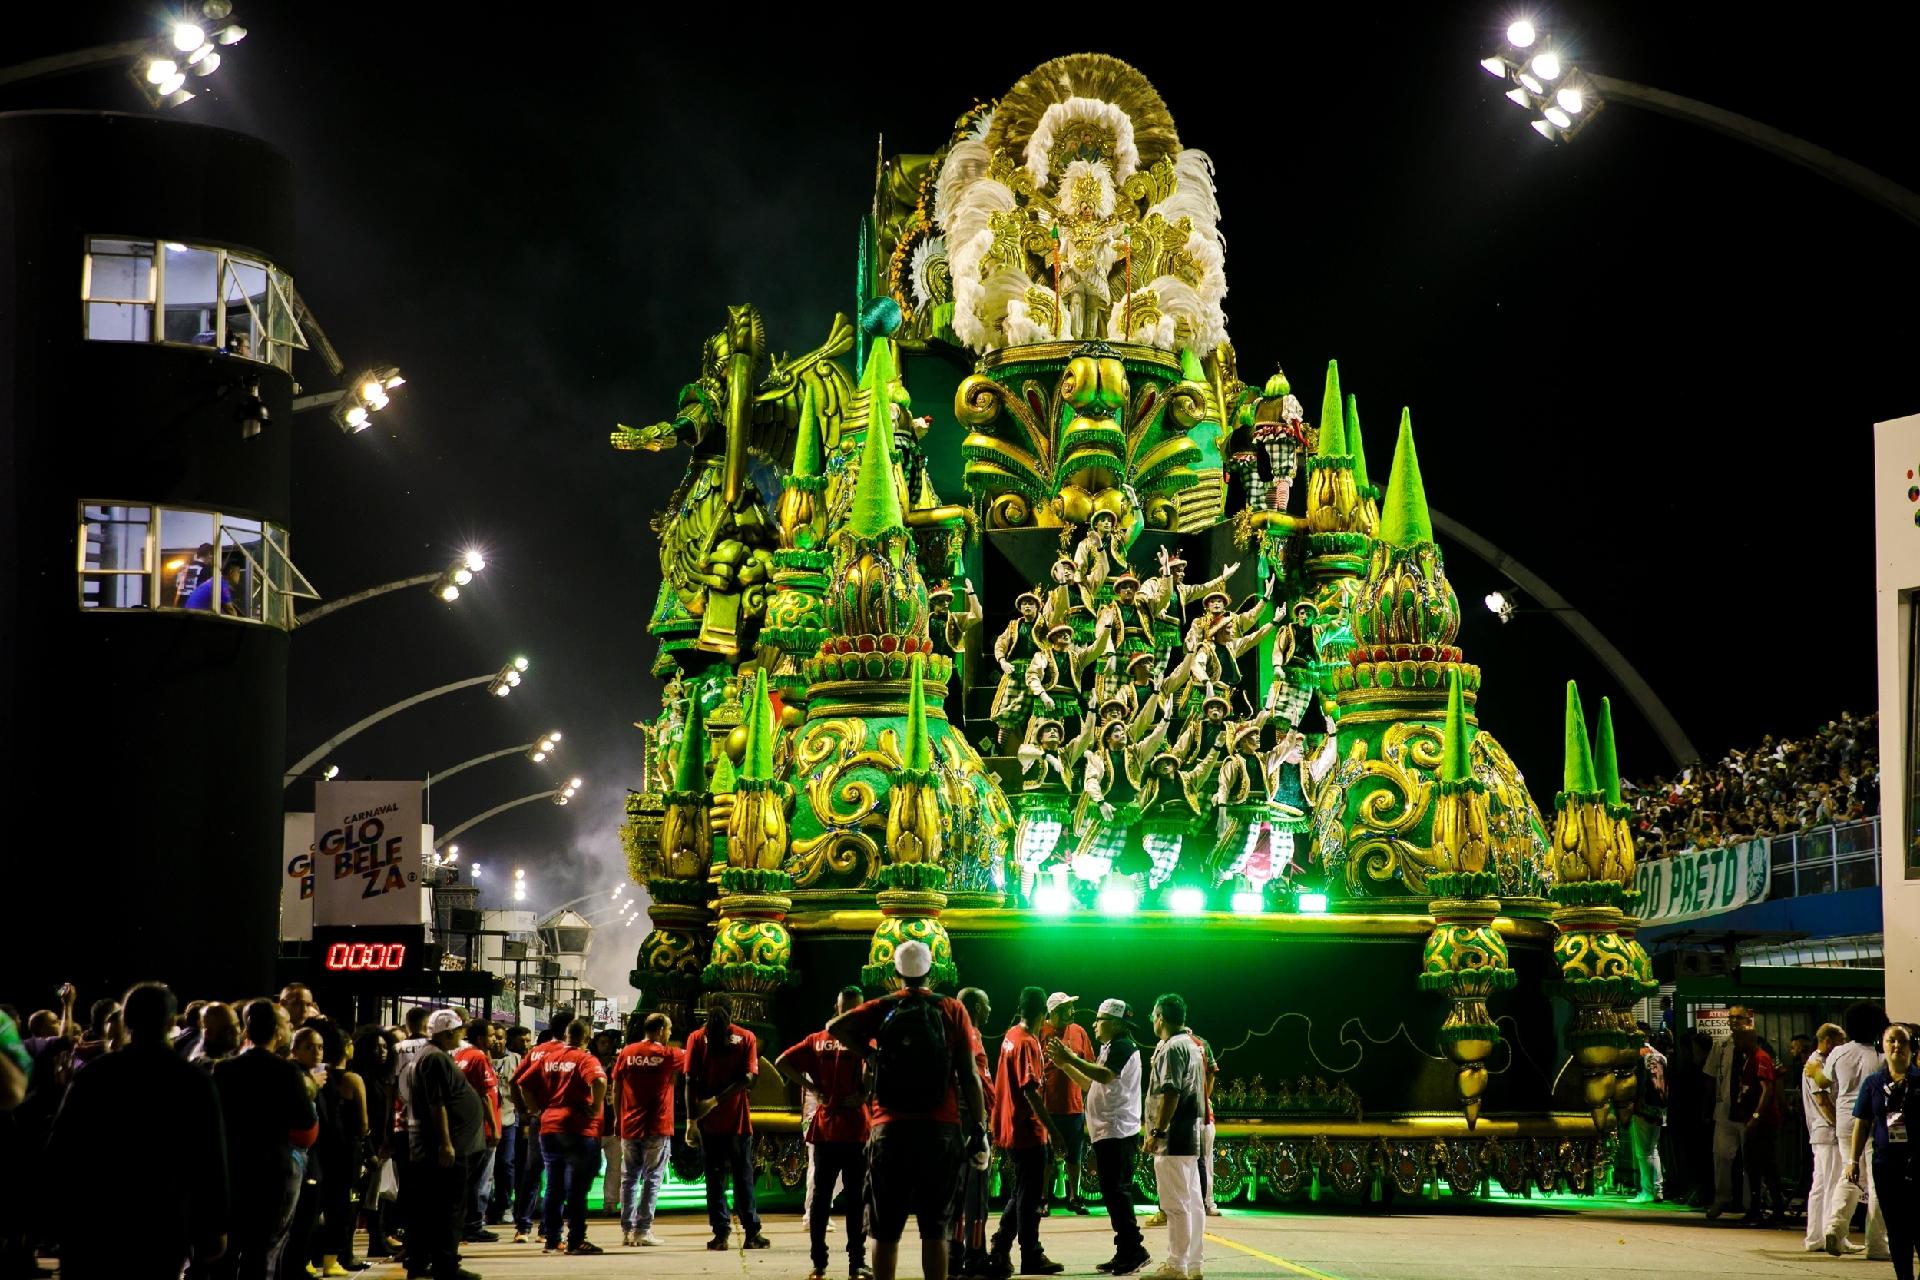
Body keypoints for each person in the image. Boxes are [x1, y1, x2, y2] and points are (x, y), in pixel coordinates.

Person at [827, 941, 989, 1280]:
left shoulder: (882, 1007)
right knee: (935, 1230)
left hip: (890, 1129)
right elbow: (969, 1075)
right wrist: (980, 1129)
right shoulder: (951, 1009)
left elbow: (835, 1027)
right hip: (940, 1131)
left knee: (885, 1231)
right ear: (931, 971)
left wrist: (871, 1054)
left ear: (896, 974)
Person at [45, 982, 229, 1279]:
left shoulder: (95, 1075)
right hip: (163, 1220)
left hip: (97, 1217)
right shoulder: (191, 1080)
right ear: (171, 1023)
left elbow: (61, 1146)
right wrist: (216, 1225)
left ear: (126, 1022)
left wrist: (51, 1213)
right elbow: (211, 1157)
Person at [213, 998, 318, 1280]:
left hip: (234, 1168)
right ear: (279, 1032)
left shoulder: (223, 1069)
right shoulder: (287, 1071)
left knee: (230, 1248)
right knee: (262, 1250)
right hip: (272, 1169)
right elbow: (305, 1123)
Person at [1045, 998, 1150, 1276]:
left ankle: (1135, 1251)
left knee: (1118, 1193)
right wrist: (1065, 1066)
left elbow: (1104, 1076)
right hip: (1107, 1132)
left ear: (1115, 1023)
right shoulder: (1110, 1047)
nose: (1094, 1024)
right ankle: (1125, 1250)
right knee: (1113, 1194)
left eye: (1099, 1020)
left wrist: (1071, 1057)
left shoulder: (1123, 1047)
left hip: (1117, 1132)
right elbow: (1091, 1085)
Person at [782, 987, 872, 1280]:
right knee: (856, 1200)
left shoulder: (818, 1040)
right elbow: (880, 1069)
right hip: (855, 1128)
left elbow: (783, 1062)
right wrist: (865, 1094)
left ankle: (819, 1264)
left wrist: (812, 1088)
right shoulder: (864, 1041)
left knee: (822, 1198)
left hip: (826, 1129)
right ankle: (856, 1263)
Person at [987, 985, 1066, 1277]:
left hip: (1010, 1125)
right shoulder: (1028, 1043)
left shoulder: (1010, 1036)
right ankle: (1029, 1253)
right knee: (1028, 1197)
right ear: (1043, 1013)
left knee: (1022, 1193)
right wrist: (1053, 1130)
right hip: (1027, 1130)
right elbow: (1030, 1090)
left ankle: (1000, 1245)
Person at [408, 1009, 487, 1280]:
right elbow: (437, 1103)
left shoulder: (431, 1055)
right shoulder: (435, 1059)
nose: (463, 1036)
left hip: (447, 1145)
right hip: (447, 1149)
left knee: (434, 1209)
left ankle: (422, 1261)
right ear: (449, 1032)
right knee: (449, 1210)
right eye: (461, 1031)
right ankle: (446, 1265)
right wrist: (446, 1144)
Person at [686, 997, 768, 1251]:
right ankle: (751, 1233)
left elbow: (689, 1080)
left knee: (714, 1178)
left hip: (708, 1124)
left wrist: (692, 1119)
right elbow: (748, 1079)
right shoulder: (746, 1037)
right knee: (743, 1177)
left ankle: (721, 1234)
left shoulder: (696, 1038)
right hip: (737, 1121)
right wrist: (717, 1100)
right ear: (733, 1014)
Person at [1843, 1023, 1915, 1280]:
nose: (1897, 1046)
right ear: (1882, 1046)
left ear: (1911, 1047)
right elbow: (1862, 1123)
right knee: (1896, 1227)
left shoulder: (1917, 1082)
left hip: (1915, 1163)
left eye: (1902, 1042)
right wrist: (1852, 1160)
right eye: (1891, 1041)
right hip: (1886, 1163)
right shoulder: (1874, 1083)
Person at [1144, 993, 1207, 1280]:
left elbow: (1171, 1092)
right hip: (1190, 1135)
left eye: (1153, 1015)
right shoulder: (1193, 1045)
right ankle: (1194, 1264)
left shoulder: (1172, 1049)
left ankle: (1176, 1264)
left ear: (1161, 1017)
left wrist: (1157, 1131)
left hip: (1174, 1137)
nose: (1152, 1020)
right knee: (1192, 1199)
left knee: (1174, 1203)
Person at [533, 1019, 607, 1257]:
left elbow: (522, 1082)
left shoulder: (549, 1057)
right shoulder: (585, 1058)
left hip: (549, 1126)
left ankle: (552, 1239)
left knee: (553, 1186)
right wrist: (595, 1106)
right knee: (577, 1189)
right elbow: (599, 1080)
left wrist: (536, 1107)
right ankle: (576, 1239)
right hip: (576, 1129)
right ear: (588, 1037)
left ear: (566, 1035)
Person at [612, 1013, 684, 1248]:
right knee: (652, 1178)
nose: (670, 1033)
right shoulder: (667, 1055)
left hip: (629, 1125)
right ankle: (643, 1230)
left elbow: (616, 1087)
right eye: (670, 1029)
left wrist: (617, 1118)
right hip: (657, 1126)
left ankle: (626, 1230)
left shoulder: (627, 1052)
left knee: (629, 1178)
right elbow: (694, 1060)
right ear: (662, 1029)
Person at [1826, 1002, 1892, 1257]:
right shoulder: (1881, 1057)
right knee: (1878, 1183)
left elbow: (1824, 1086)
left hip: (1843, 1121)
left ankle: (1835, 1227)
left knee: (1849, 1174)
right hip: (1874, 1125)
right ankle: (1876, 1242)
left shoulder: (1839, 1053)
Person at [509, 1011, 573, 1244]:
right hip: (562, 1120)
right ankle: (548, 1229)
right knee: (558, 1175)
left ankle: (522, 1227)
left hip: (538, 1120)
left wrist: (526, 1112)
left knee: (532, 1171)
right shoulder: (570, 1053)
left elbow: (515, 1081)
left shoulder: (537, 1051)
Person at [950, 987, 996, 1280]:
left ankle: (953, 1256)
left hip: (954, 1122)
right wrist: (984, 1118)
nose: (991, 1010)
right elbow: (975, 1082)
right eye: (987, 1004)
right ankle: (975, 1256)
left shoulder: (950, 1034)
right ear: (977, 1008)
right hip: (970, 1123)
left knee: (956, 1193)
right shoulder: (972, 1036)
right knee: (975, 1193)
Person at [1040, 993, 1093, 1216]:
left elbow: (1090, 1064)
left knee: (1075, 1156)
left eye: (1072, 1008)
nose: (1072, 1012)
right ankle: (1042, 1198)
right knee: (1046, 1157)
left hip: (1074, 1107)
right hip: (1046, 1108)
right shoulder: (1041, 1031)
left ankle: (1074, 1197)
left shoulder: (1079, 1031)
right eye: (1067, 1009)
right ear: (1054, 1012)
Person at [452, 1018, 501, 1244]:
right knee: (480, 1180)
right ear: (481, 1037)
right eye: (491, 1035)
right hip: (482, 1128)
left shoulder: (461, 1055)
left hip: (467, 1127)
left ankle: (463, 1224)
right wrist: (493, 1126)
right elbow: (484, 1095)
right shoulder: (478, 1057)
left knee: (469, 1179)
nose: (494, 1039)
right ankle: (473, 1224)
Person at [1803, 1022, 1846, 1253]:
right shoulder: (1817, 1064)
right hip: (1828, 1131)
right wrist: (1840, 1127)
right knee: (1832, 1184)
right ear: (1828, 1040)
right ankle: (1833, 1234)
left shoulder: (1816, 1063)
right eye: (1840, 1041)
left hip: (1820, 1132)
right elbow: (1823, 1101)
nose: (1843, 1046)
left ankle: (1815, 1237)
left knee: (1820, 1185)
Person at [486, 1025, 520, 1227]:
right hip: (486, 1121)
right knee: (486, 1169)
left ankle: (505, 1205)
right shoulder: (483, 1058)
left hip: (507, 1118)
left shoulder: (514, 1059)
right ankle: (487, 1208)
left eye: (500, 1037)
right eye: (493, 1037)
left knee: (505, 1165)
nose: (496, 1041)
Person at [1631, 1024, 1667, 1203]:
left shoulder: (1639, 1056)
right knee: (1653, 1149)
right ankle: (1658, 1189)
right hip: (1660, 1109)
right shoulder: (1661, 1057)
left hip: (1643, 1108)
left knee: (1643, 1152)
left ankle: (1647, 1191)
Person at [590, 1029, 622, 1230]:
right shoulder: (589, 1062)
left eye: (609, 1042)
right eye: (602, 1042)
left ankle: (610, 1203)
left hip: (613, 1123)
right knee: (588, 1167)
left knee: (615, 1167)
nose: (606, 1046)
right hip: (593, 1125)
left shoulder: (618, 1063)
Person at [175, 541, 215, 605]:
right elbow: (206, 591)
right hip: (195, 607)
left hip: (180, 604)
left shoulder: (183, 567)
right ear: (210, 554)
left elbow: (177, 588)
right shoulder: (206, 569)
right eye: (214, 555)